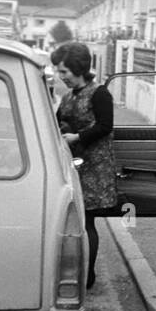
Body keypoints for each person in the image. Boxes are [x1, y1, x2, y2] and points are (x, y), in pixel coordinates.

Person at [52, 42, 117, 291]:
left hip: (94, 167)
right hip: (74, 166)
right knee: (76, 222)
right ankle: (79, 273)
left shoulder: (99, 93)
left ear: (78, 69)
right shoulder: (68, 96)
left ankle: (87, 276)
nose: (61, 77)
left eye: (64, 72)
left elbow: (105, 126)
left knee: (87, 221)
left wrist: (77, 137)